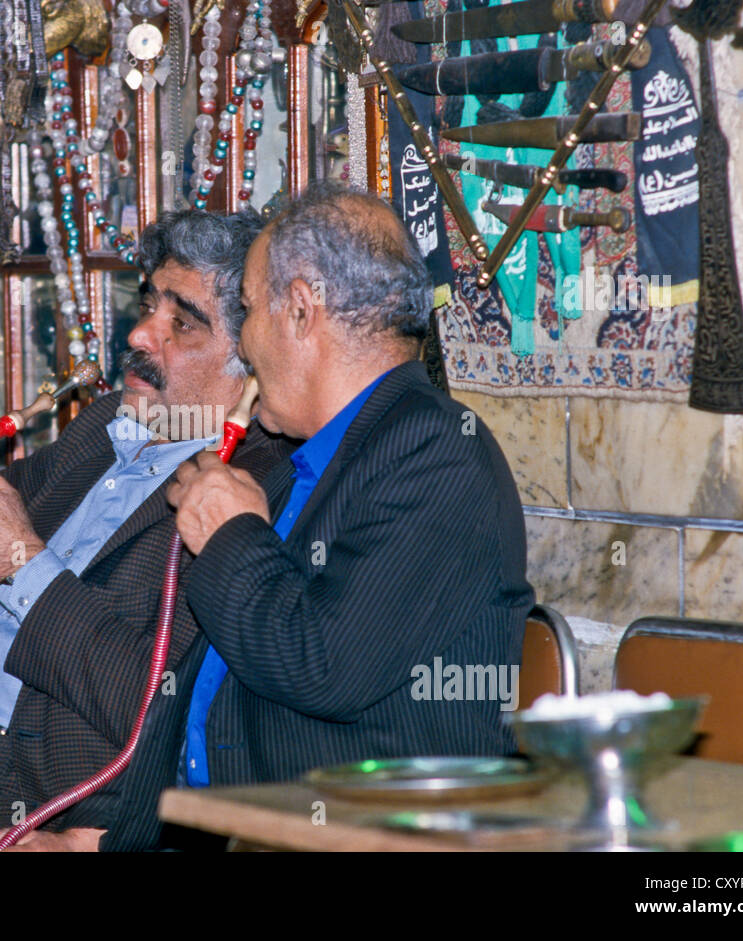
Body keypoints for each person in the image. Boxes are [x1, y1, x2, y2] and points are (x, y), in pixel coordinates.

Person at [103, 181, 534, 850]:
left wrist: (230, 534)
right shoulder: (313, 459)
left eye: (247, 310)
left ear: (301, 311)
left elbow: (320, 663)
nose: (244, 345)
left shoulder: (437, 453)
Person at [0, 208, 293, 851]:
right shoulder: (102, 429)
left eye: (182, 323)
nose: (142, 335)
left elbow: (168, 712)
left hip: (55, 809)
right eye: (150, 305)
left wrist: (21, 559)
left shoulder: (253, 490)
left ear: (252, 362)